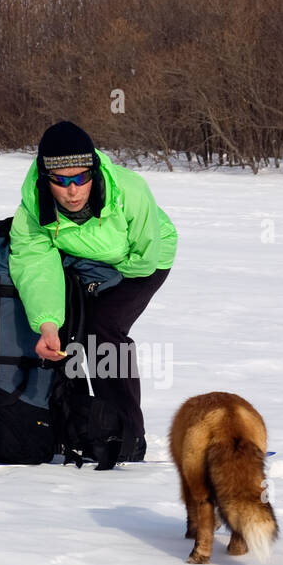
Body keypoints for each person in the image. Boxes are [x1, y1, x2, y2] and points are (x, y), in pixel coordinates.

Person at [9, 120, 177, 461]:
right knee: (67, 330)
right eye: (61, 181)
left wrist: (102, 280)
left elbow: (145, 255)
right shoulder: (32, 213)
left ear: (93, 172)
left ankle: (127, 433)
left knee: (101, 331)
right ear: (46, 180)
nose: (73, 190)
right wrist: (48, 324)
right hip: (87, 263)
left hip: (144, 262)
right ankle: (68, 420)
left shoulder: (130, 191)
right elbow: (37, 269)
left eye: (80, 178)